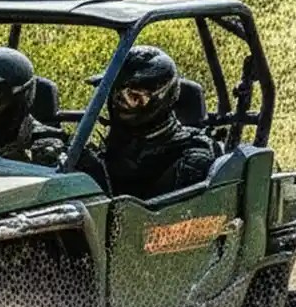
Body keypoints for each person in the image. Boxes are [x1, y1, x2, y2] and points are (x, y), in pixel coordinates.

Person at [92, 46, 215, 198]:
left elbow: (152, 215)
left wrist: (98, 175)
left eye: (133, 97)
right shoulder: (123, 140)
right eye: (116, 94)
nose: (120, 104)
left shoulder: (191, 159)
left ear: (159, 101)